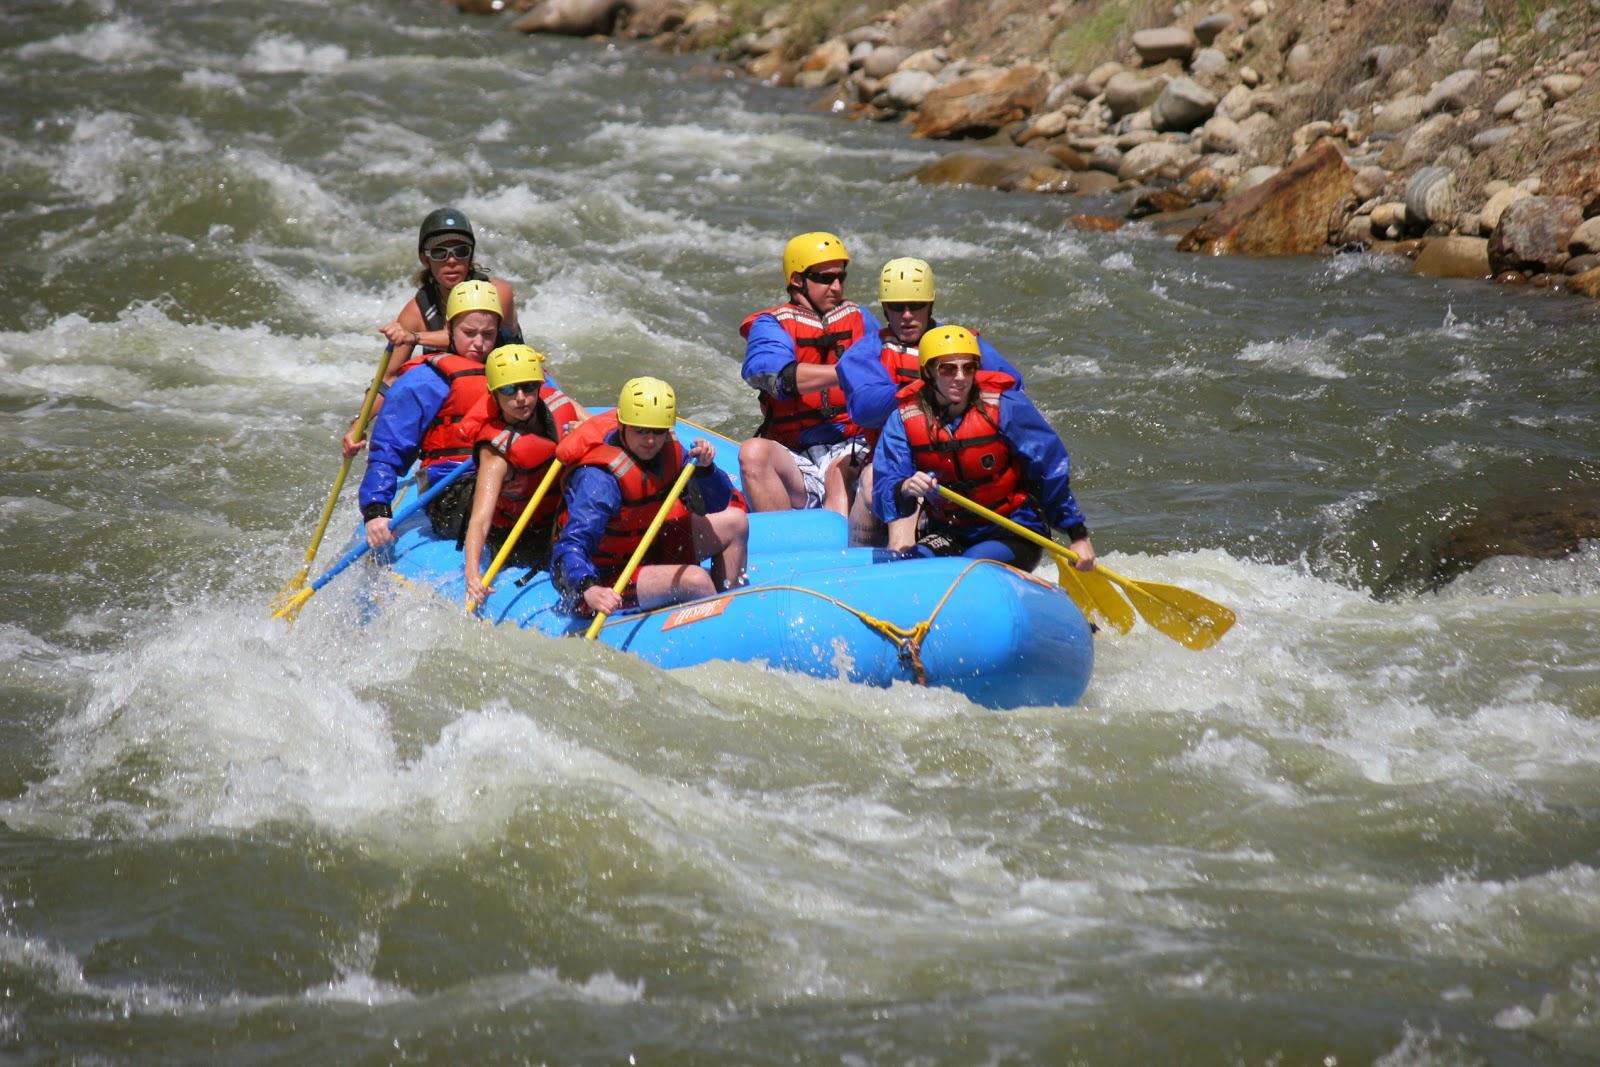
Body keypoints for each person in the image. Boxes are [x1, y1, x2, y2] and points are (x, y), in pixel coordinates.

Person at [872, 325, 1096, 571]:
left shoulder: (1006, 407)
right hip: (950, 531)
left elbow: (1049, 471)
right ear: (928, 372)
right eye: (948, 369)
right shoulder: (903, 421)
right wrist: (905, 487)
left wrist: (1078, 536)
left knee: (969, 566)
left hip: (1012, 529)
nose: (960, 377)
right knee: (912, 567)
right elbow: (885, 487)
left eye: (968, 368)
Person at [836, 257, 1025, 546]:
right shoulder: (867, 351)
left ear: (931, 305)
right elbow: (864, 408)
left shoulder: (961, 344)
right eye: (897, 307)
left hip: (957, 457)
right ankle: (899, 552)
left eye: (917, 306)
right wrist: (928, 388)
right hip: (894, 459)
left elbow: (1013, 390)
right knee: (878, 474)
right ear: (885, 308)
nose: (907, 315)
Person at [552, 377, 748, 617]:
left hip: (648, 548)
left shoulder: (669, 450)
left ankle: (731, 607)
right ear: (622, 425)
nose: (651, 440)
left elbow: (713, 505)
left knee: (736, 521)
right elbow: (571, 544)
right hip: (605, 575)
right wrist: (588, 588)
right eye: (641, 430)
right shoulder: (599, 480)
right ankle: (716, 625)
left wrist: (706, 470)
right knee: (696, 580)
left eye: (658, 431)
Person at [342, 207, 522, 458]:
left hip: (511, 398)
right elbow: (388, 379)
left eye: (461, 251)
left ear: (470, 256)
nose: (451, 261)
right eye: (439, 252)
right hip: (456, 410)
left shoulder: (497, 293)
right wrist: (358, 425)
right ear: (425, 259)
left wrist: (413, 338)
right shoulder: (416, 313)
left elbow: (462, 336)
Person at [736, 231, 880, 515]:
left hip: (852, 446)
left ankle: (842, 548)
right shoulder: (771, 325)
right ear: (797, 280)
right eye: (825, 278)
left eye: (841, 277)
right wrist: (845, 372)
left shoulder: (860, 318)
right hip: (795, 455)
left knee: (840, 473)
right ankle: (786, 546)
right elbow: (778, 380)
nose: (837, 287)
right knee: (753, 452)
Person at [357, 279, 504, 551]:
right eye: (469, 332)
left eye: (488, 334)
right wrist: (376, 510)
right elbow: (388, 450)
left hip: (510, 483)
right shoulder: (424, 381)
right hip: (451, 491)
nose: (479, 343)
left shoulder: (521, 378)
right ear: (449, 329)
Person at [462, 344, 583, 606]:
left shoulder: (559, 403)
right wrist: (473, 573)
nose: (520, 397)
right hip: (520, 533)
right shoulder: (496, 453)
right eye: (509, 389)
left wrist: (583, 433)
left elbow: (602, 431)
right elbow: (480, 520)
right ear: (494, 394)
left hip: (560, 515)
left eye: (529, 387)